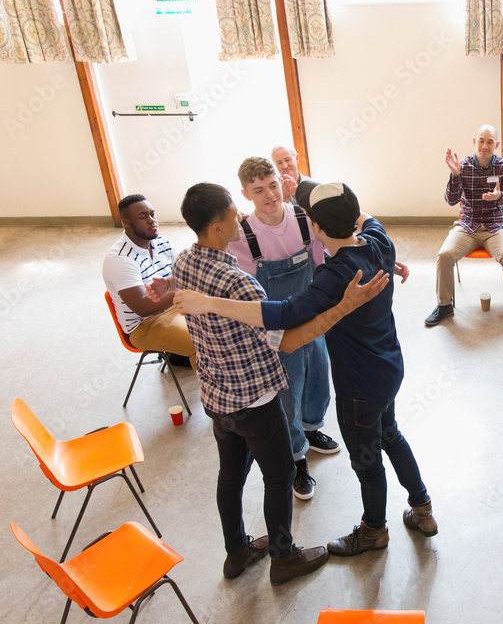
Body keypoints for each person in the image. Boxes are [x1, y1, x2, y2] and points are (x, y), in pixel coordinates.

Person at [174, 180, 438, 558]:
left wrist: (209, 303)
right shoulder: (379, 240)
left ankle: (373, 531)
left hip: (357, 386)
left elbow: (285, 315)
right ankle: (422, 507)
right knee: (390, 435)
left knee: (367, 462)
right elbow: (364, 216)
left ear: (313, 226)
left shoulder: (333, 277)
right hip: (388, 368)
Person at [228, 157, 339, 503]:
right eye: (258, 190)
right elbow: (244, 289)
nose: (269, 195)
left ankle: (312, 429)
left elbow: (322, 264)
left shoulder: (305, 220)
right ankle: (296, 457)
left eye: (273, 185)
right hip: (277, 329)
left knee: (319, 380)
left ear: (283, 181)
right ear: (246, 194)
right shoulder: (243, 236)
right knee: (287, 395)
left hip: (312, 318)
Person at [426, 124, 503, 328]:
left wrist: (499, 195)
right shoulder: (464, 165)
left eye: (490, 141)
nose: (485, 145)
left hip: (496, 226)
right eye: (481, 141)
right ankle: (444, 305)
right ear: (475, 142)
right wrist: (456, 175)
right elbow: (451, 201)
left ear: (497, 144)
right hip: (467, 225)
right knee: (444, 255)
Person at [102, 194, 196, 369]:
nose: (152, 220)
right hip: (145, 325)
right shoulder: (120, 259)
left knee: (222, 322)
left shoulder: (162, 243)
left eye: (152, 214)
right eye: (143, 217)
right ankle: (216, 395)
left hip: (175, 307)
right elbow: (143, 308)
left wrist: (185, 284)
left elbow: (182, 276)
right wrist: (184, 285)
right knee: (200, 343)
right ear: (127, 223)